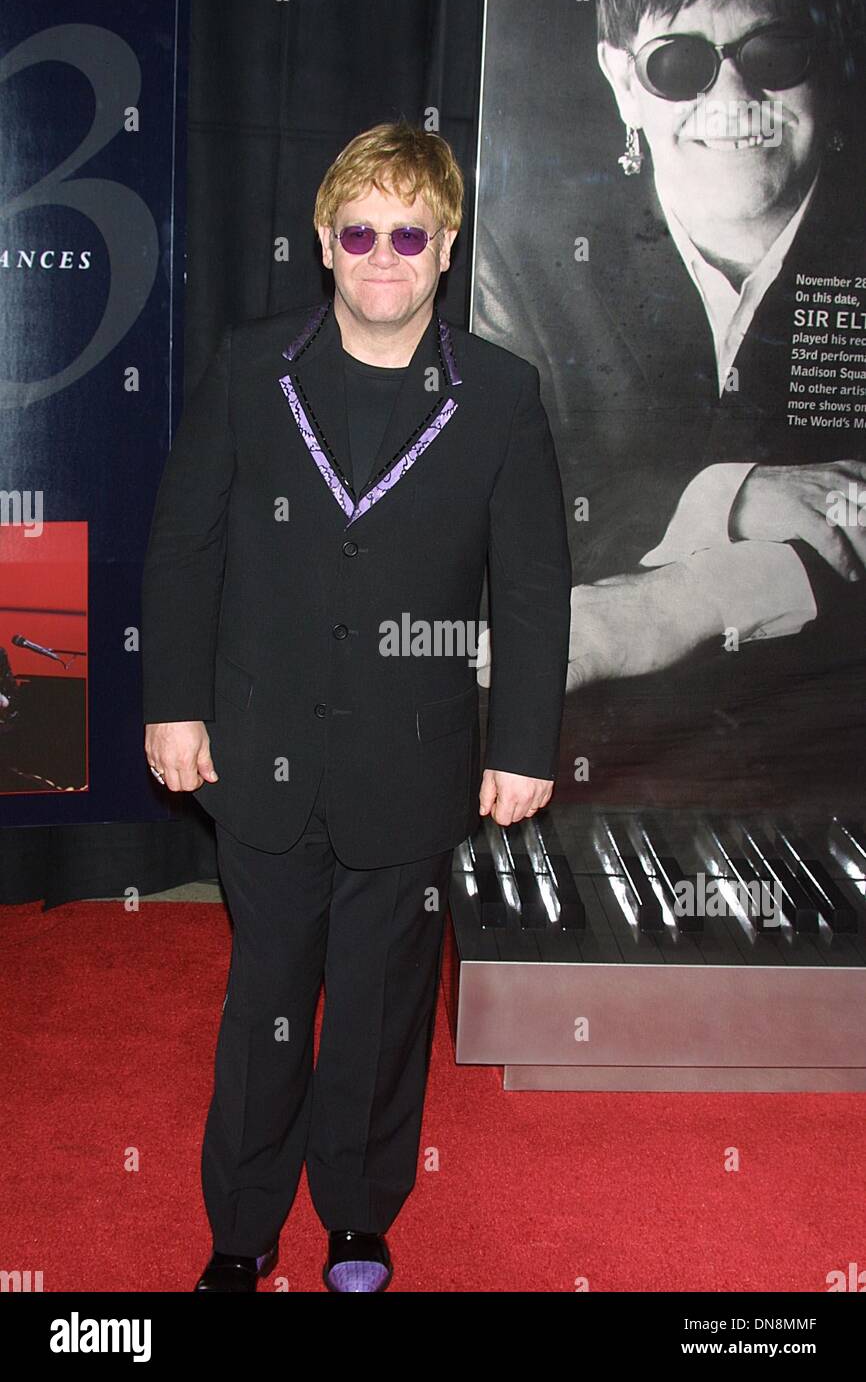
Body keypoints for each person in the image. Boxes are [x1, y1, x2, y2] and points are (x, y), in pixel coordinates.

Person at [140, 121, 572, 1291]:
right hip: (258, 749)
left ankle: (357, 1218)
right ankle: (241, 1229)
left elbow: (532, 586)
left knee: (381, 1008)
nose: (385, 255)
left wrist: (523, 742)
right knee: (265, 999)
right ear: (325, 244)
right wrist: (173, 706)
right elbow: (184, 547)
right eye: (361, 231)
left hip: (413, 762)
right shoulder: (249, 367)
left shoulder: (499, 393)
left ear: (445, 249)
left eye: (409, 234)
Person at [473, 0, 866, 808]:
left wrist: (694, 596)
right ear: (623, 83)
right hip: (592, 759)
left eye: (773, 53)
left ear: (828, 63)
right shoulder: (524, 250)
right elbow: (513, 517)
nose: (732, 98)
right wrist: (735, 499)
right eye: (680, 64)